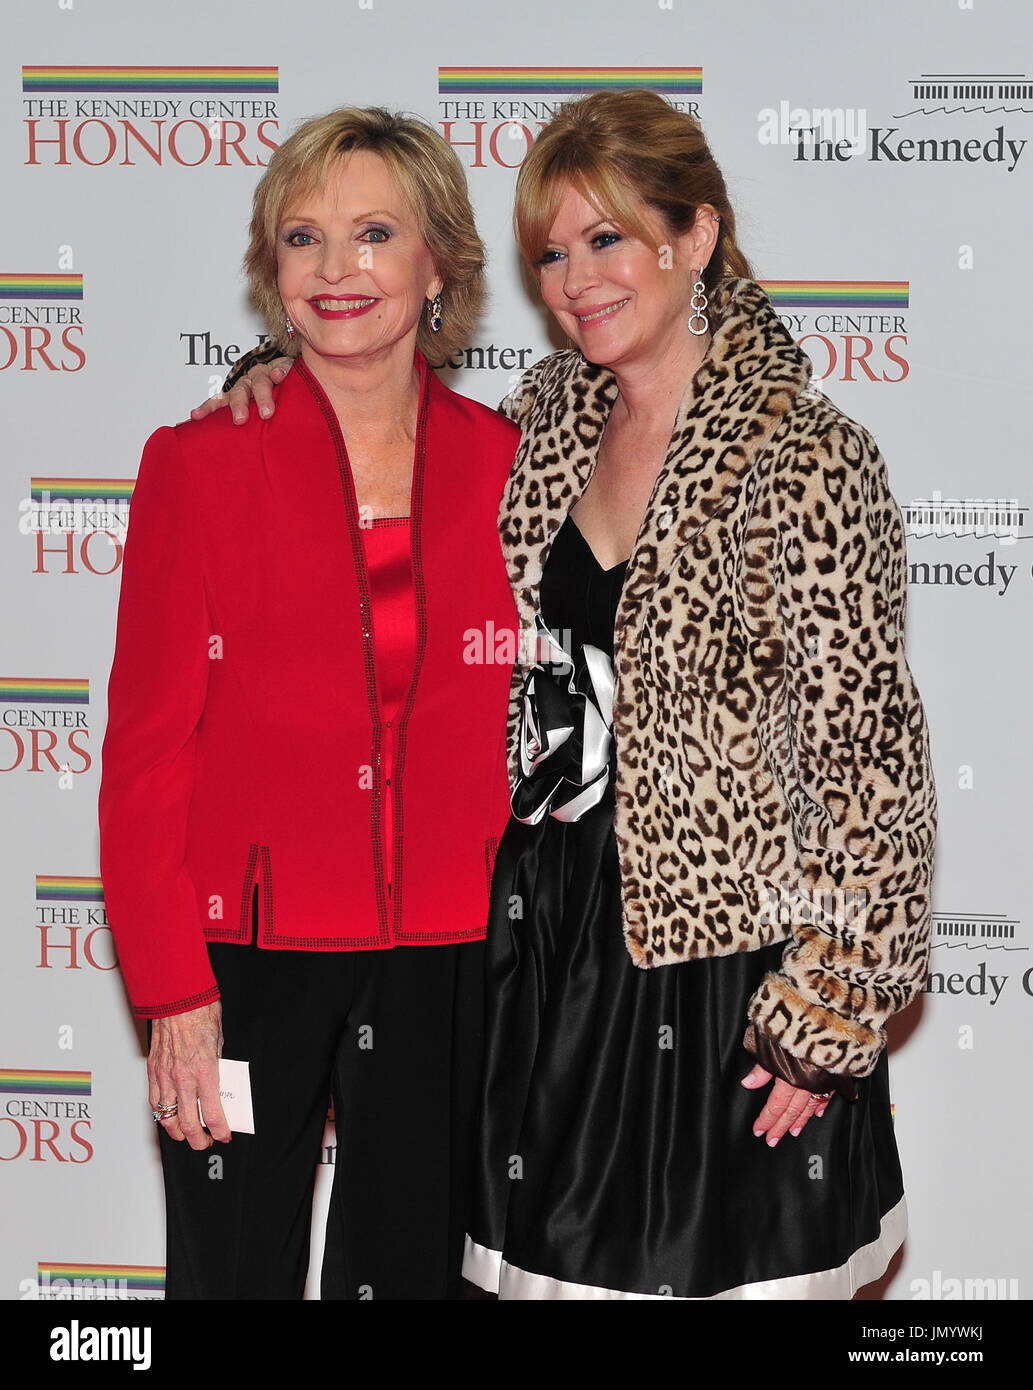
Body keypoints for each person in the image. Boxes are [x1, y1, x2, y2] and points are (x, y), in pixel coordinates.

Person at [216, 90, 937, 1301]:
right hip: (547, 953)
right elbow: (391, 430)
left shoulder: (806, 456)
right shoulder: (544, 420)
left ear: (693, 237)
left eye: (605, 239)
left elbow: (873, 759)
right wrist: (279, 372)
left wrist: (832, 1010)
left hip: (720, 974)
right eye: (551, 253)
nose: (574, 281)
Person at [98, 106, 519, 1300]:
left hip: (447, 963)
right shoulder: (200, 464)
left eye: (375, 233)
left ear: (438, 260)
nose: (337, 271)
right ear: (270, 271)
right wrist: (174, 991)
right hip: (243, 958)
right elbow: (143, 760)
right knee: (228, 1280)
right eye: (303, 238)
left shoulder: (517, 463)